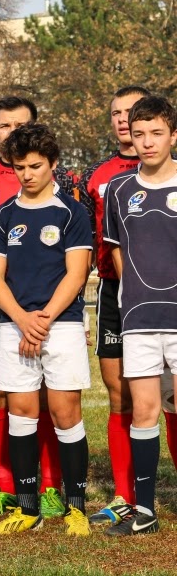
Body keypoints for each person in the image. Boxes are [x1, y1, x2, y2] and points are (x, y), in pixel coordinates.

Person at [0, 123, 93, 536]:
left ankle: (76, 508)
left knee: (65, 412)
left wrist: (43, 317)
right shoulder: (5, 215)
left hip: (59, 325)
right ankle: (28, 509)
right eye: (19, 167)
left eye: (35, 166)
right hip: (15, 326)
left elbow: (76, 273)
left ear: (53, 165)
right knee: (22, 413)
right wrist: (21, 319)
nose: (27, 174)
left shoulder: (71, 212)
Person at [100, 94, 177, 536]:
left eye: (156, 133)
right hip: (140, 320)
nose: (147, 142)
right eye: (140, 132)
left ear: (172, 135)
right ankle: (144, 511)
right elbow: (118, 253)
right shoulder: (120, 190)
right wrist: (135, 298)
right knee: (144, 411)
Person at [78, 85, 151, 525]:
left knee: (170, 396)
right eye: (116, 113)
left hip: (164, 294)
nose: (123, 119)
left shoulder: (166, 169)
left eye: (132, 112)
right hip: (112, 291)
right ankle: (126, 495)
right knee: (120, 394)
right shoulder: (97, 175)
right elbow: (86, 239)